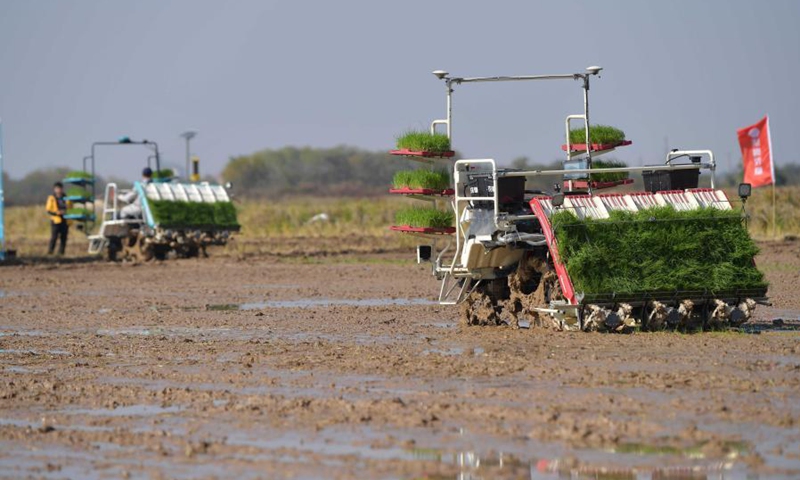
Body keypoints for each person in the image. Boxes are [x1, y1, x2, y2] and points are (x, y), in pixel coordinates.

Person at [45, 182, 71, 255]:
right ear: (54, 189)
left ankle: (61, 252)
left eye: (60, 188)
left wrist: (65, 211)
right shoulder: (51, 198)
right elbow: (48, 210)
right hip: (55, 220)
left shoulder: (66, 198)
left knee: (64, 237)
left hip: (65, 220)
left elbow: (71, 207)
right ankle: (50, 251)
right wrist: (57, 213)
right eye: (57, 189)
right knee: (54, 237)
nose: (59, 190)